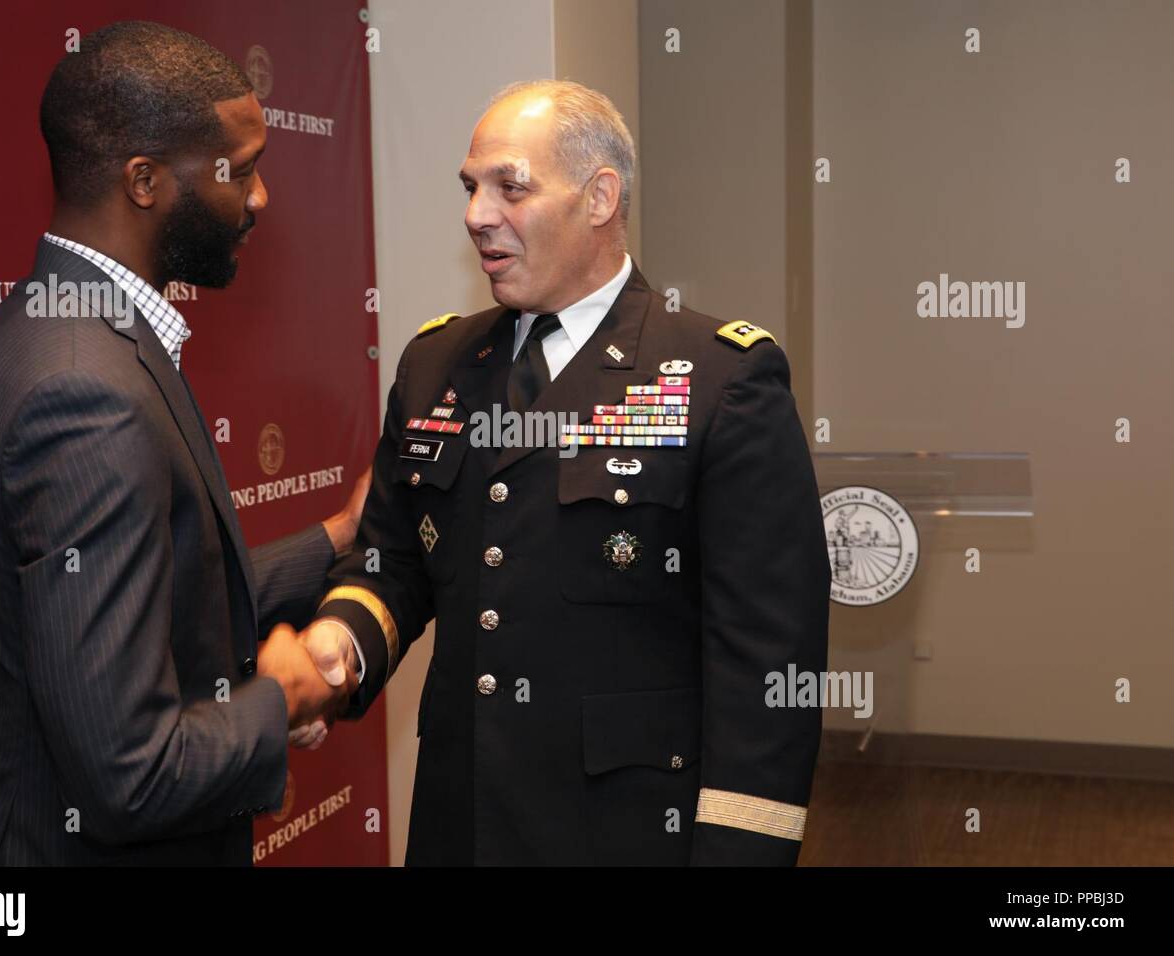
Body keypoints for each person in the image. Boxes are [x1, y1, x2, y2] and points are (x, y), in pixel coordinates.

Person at [299, 80, 830, 865]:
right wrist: (344, 642)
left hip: (626, 831)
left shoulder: (717, 378)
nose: (477, 214)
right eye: (471, 187)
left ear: (599, 197)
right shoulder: (436, 363)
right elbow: (395, 559)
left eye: (510, 187)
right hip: (460, 820)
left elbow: (768, 661)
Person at [0, 21, 362, 866]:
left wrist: (338, 541)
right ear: (143, 181)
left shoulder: (64, 323)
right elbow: (128, 773)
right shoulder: (86, 386)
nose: (259, 198)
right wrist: (278, 698)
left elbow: (163, 588)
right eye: (238, 172)